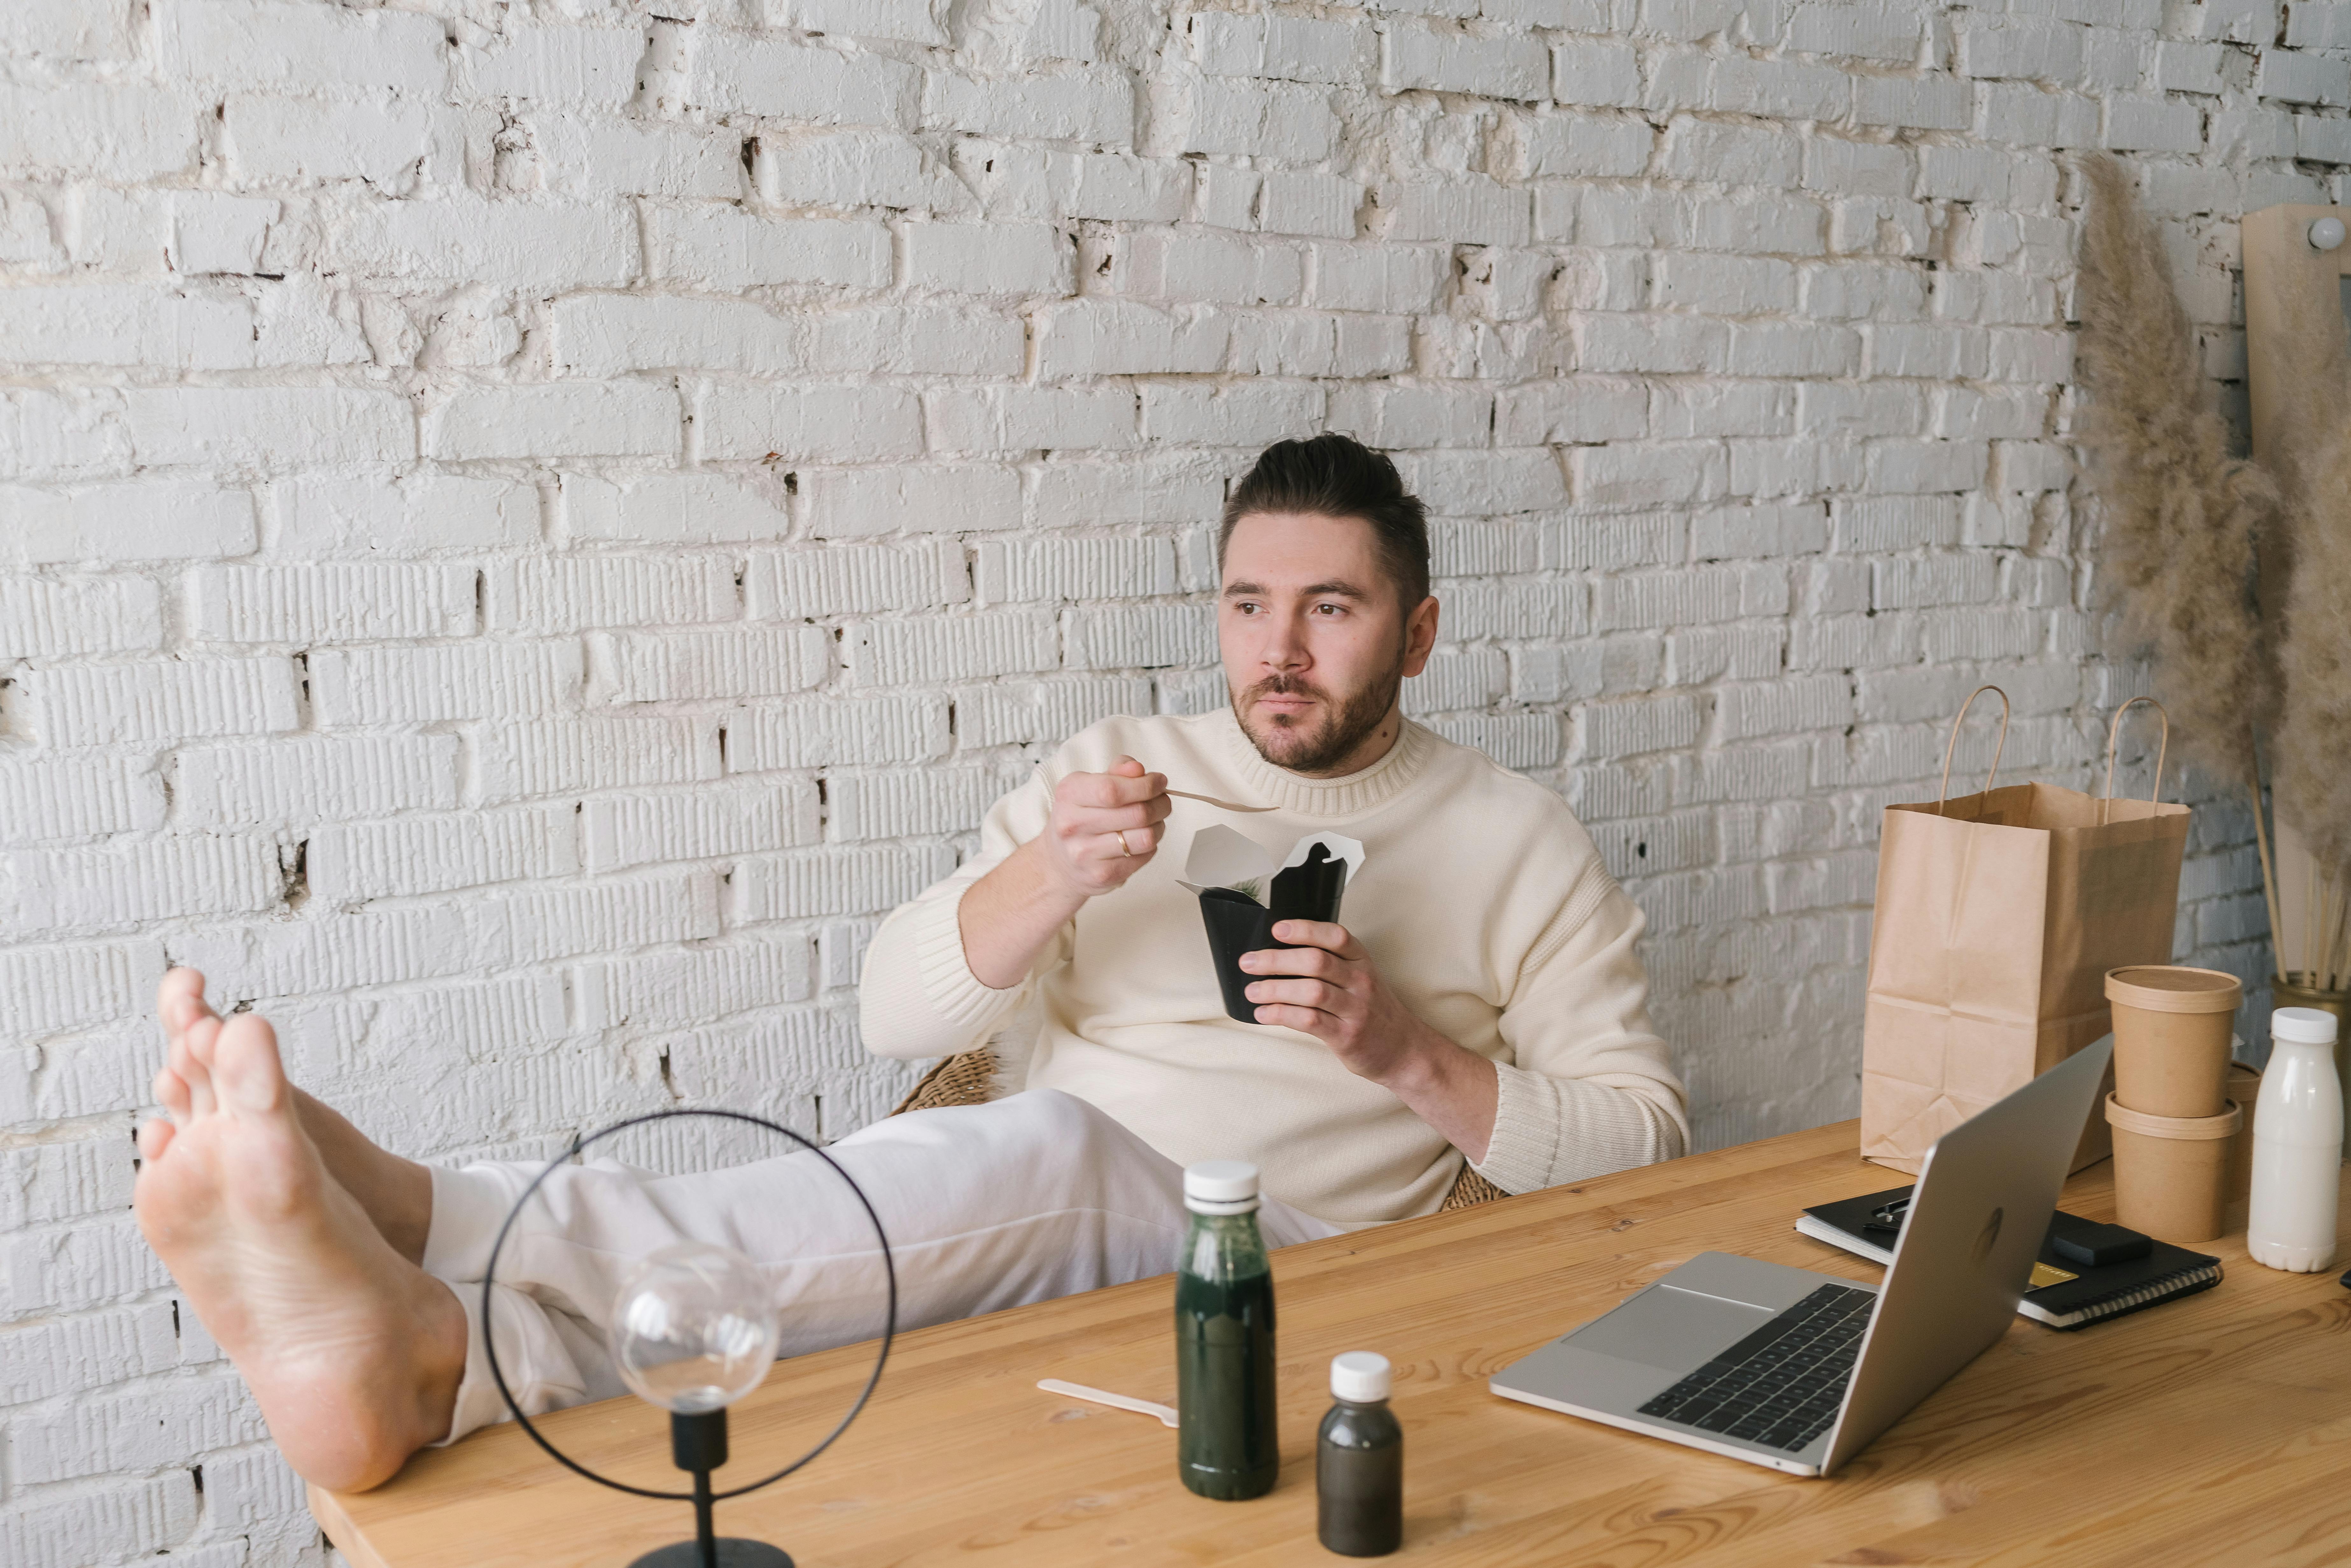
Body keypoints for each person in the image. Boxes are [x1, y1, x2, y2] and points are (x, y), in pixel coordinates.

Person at [132, 434, 1685, 1494]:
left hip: (1289, 1256)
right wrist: (1044, 873)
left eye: (1329, 608)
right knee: (943, 1184)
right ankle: (441, 1353)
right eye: (1246, 603)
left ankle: (432, 1206)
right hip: (1031, 1204)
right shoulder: (1120, 762)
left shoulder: (1514, 834)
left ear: (1415, 634)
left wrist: (1403, 1049)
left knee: (1057, 1146)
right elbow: (895, 1013)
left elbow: (1649, 1144)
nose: (1276, 648)